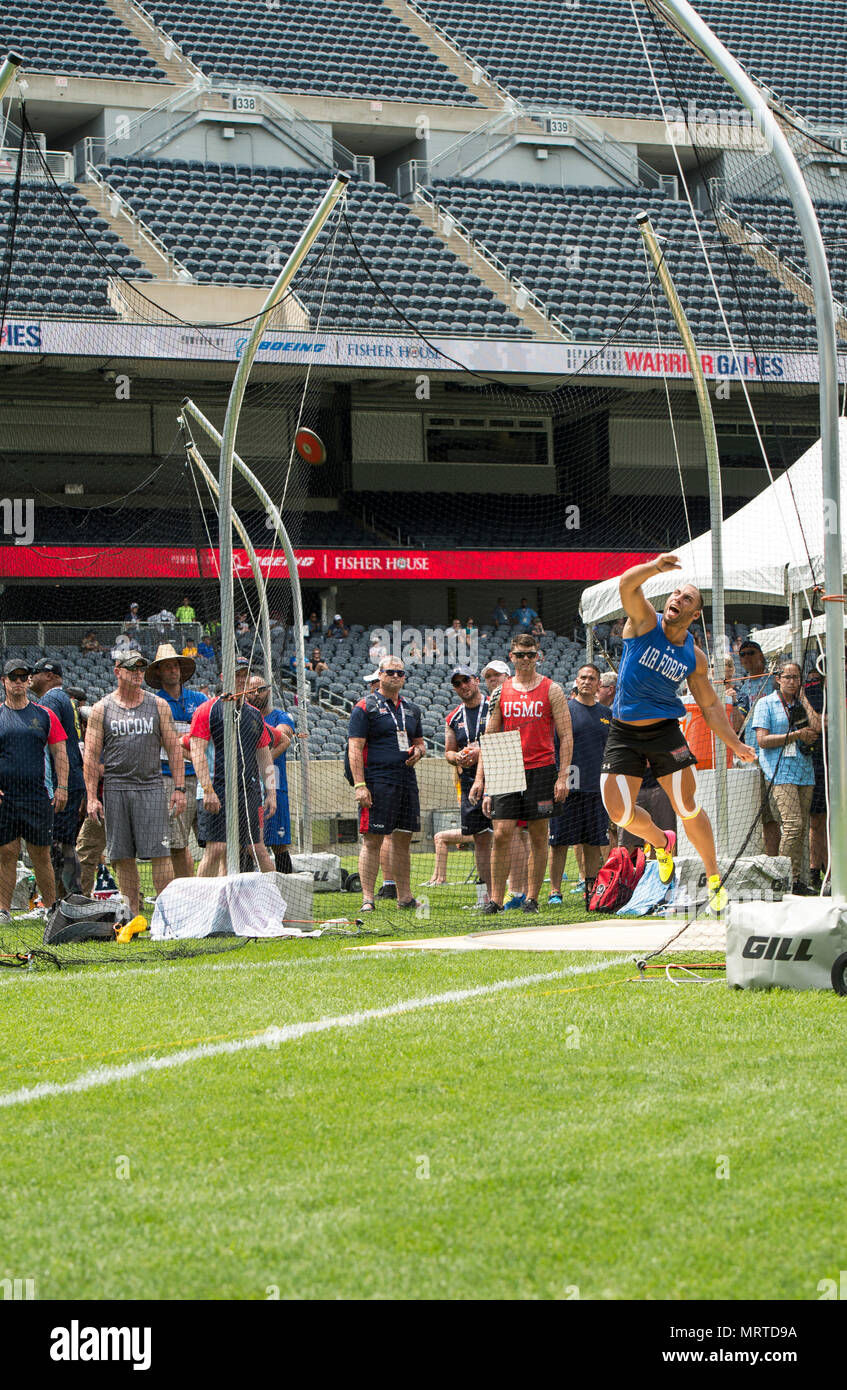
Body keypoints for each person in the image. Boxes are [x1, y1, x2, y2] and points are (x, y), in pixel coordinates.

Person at [598, 555, 756, 915]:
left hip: (665, 731)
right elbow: (626, 584)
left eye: (687, 598)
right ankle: (660, 842)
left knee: (686, 805)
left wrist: (735, 743)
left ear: (695, 614)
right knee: (619, 813)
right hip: (624, 732)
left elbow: (712, 706)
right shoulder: (642, 622)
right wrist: (655, 566)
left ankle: (715, 879)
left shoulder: (694, 657)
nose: (677, 599)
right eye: (675, 594)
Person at [470, 633, 573, 914]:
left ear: (537, 655)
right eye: (520, 654)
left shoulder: (552, 689)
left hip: (541, 766)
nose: (525, 659)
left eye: (530, 654)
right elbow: (490, 736)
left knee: (539, 835)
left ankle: (532, 898)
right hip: (506, 762)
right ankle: (495, 900)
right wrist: (482, 780)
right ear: (511, 657)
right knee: (502, 833)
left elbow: (566, 735)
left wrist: (563, 776)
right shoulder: (500, 692)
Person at [84, 651, 185, 918]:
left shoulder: (157, 705)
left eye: (141, 669)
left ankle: (167, 916)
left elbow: (174, 748)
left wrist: (179, 788)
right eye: (131, 669)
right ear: (117, 671)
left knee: (160, 854)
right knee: (121, 856)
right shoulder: (101, 708)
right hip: (116, 788)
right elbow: (91, 756)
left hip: (151, 786)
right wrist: (92, 797)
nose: (138, 673)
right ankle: (132, 914)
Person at [347, 655, 425, 916]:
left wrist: (420, 751)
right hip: (378, 782)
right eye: (390, 672)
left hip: (406, 780)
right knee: (372, 840)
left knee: (403, 839)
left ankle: (405, 897)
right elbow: (354, 748)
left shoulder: (412, 709)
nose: (395, 677)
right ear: (379, 675)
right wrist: (360, 784)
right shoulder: (364, 707)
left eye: (400, 673)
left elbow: (420, 741)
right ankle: (368, 899)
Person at [188, 659, 276, 876]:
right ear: (223, 677)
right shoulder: (206, 710)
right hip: (215, 789)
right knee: (217, 848)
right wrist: (207, 790)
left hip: (248, 790)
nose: (240, 680)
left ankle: (276, 899)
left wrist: (272, 792)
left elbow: (265, 757)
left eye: (244, 675)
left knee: (256, 848)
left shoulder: (254, 714)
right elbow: (196, 751)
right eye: (236, 675)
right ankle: (204, 903)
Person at [0, 659, 68, 923]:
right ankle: (3, 910)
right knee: (6, 852)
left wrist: (62, 786)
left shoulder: (44, 715)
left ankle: (51, 908)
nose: (18, 682)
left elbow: (59, 751)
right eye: (12, 677)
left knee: (41, 853)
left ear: (29, 681)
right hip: (7, 797)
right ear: (4, 681)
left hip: (38, 796)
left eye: (22, 677)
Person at [753, 661, 821, 894]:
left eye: (796, 677)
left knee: (801, 829)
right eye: (788, 677)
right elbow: (762, 740)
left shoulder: (801, 702)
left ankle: (796, 880)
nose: (792, 681)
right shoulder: (766, 703)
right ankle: (782, 880)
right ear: (778, 679)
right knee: (793, 825)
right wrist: (795, 736)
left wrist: (803, 699)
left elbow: (817, 727)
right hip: (779, 771)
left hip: (804, 770)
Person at [547, 664, 610, 908]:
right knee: (559, 841)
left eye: (592, 678)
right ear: (576, 680)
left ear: (598, 685)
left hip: (597, 787)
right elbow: (554, 747)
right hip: (568, 785)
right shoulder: (564, 710)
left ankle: (591, 887)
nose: (587, 681)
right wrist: (558, 778)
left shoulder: (607, 714)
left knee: (593, 841)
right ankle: (555, 890)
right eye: (583, 677)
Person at [144, 643, 207, 880]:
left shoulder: (199, 699)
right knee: (176, 842)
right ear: (158, 672)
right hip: (168, 778)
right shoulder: (153, 703)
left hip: (201, 778)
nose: (172, 670)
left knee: (213, 841)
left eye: (175, 666)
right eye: (167, 666)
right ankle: (184, 893)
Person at [29, 658, 85, 900]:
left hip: (63, 782)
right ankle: (69, 897)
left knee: (57, 844)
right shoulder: (65, 699)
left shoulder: (51, 700)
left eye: (35, 673)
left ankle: (65, 899)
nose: (30, 678)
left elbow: (43, 740)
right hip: (72, 779)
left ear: (50, 676)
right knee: (65, 842)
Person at [445, 665, 492, 899]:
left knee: (507, 835)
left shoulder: (493, 707)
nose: (463, 686)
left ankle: (512, 893)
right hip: (469, 781)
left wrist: (480, 751)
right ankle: (484, 896)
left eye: (466, 680)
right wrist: (459, 757)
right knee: (480, 838)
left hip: (498, 777)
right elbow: (448, 752)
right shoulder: (453, 717)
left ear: (476, 680)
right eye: (457, 683)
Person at [246, 674, 295, 873]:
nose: (256, 694)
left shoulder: (280, 717)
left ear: (268, 690)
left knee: (278, 842)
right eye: (252, 690)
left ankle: (286, 886)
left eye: (260, 689)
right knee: (248, 843)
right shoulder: (243, 716)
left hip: (274, 784)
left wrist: (260, 760)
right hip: (248, 786)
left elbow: (281, 736)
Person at [736, 638, 779, 855]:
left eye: (750, 653)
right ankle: (767, 856)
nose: (746, 658)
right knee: (761, 812)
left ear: (761, 655)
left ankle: (779, 857)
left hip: (775, 752)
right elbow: (737, 725)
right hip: (752, 756)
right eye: (742, 655)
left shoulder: (774, 681)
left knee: (776, 811)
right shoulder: (742, 688)